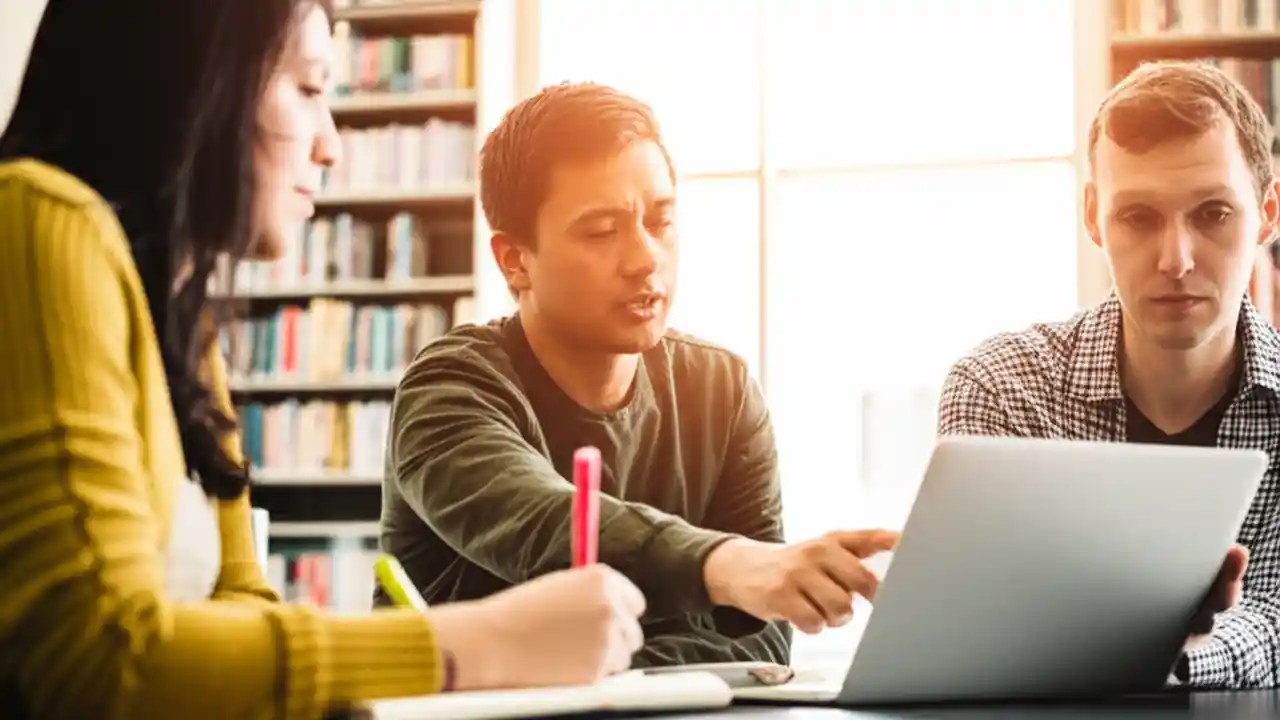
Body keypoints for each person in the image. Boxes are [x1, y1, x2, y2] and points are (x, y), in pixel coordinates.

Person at [0, 2, 646, 719]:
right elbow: (96, 659)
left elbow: (239, 601)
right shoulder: (35, 221)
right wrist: (483, 640)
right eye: (309, 90)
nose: (331, 146)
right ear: (198, 79)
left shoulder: (183, 325)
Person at [376, 81, 899, 667]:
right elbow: (544, 524)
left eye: (661, 221)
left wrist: (637, 661)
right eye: (602, 231)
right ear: (515, 260)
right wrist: (728, 566)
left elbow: (758, 634)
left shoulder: (720, 391)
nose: (646, 258)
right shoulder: (447, 390)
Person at [937, 60, 1276, 689]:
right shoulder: (1003, 389)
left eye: (1213, 214)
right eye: (1138, 217)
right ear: (1094, 216)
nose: (1176, 260)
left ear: (1269, 211)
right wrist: (1162, 639)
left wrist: (1174, 649)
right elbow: (986, 623)